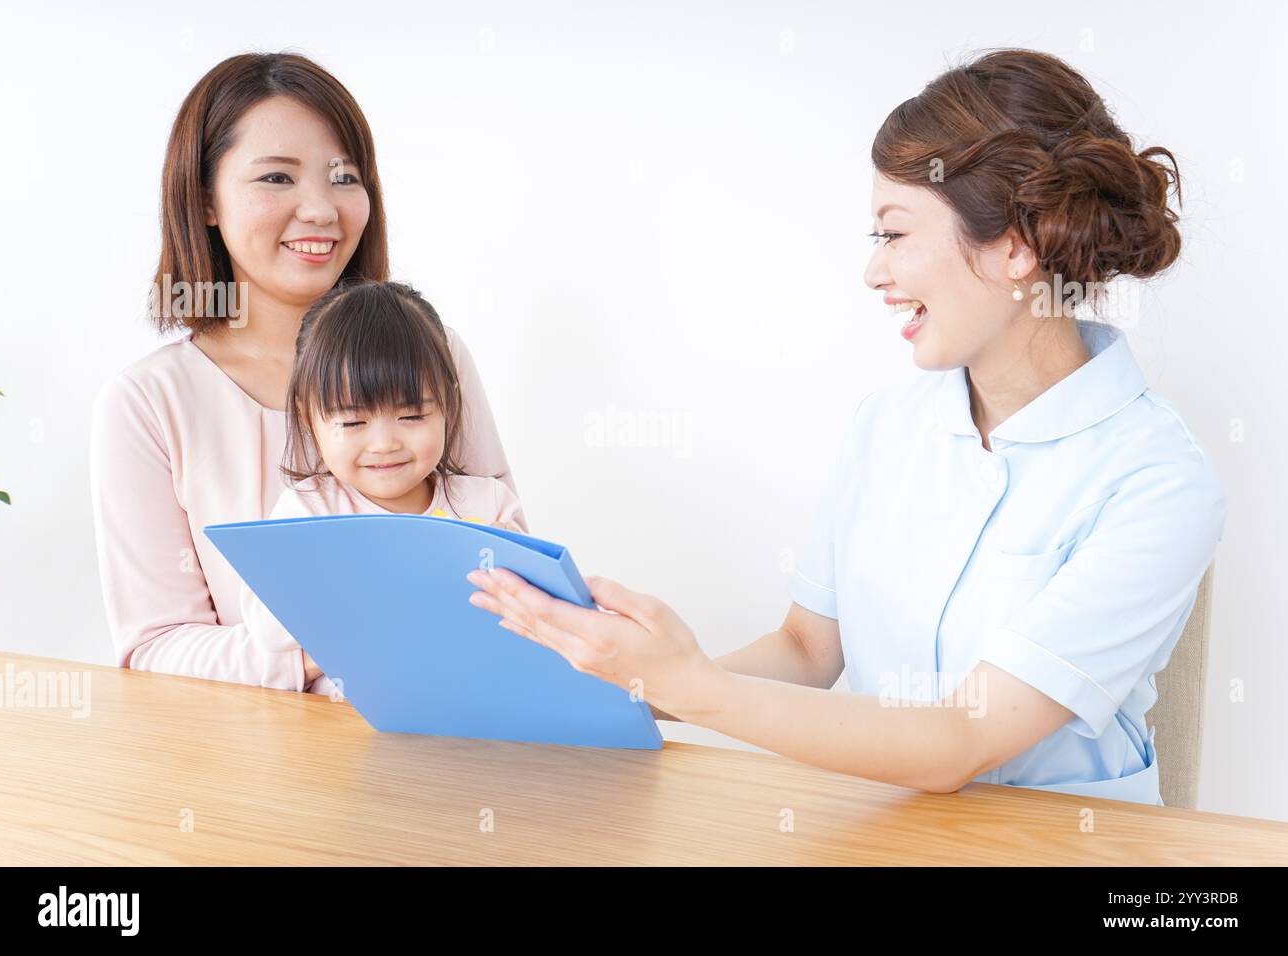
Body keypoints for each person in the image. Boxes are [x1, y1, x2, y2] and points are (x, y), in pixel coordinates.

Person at [467, 48, 1227, 805]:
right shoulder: (887, 427)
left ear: (1016, 247)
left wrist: (690, 685)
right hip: (887, 834)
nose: (875, 273)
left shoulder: (1158, 480)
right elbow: (807, 649)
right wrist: (621, 679)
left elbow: (958, 743)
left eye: (894, 235)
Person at [91, 53, 519, 693]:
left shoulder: (436, 353)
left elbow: (512, 580)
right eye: (276, 178)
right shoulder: (149, 402)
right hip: (259, 770)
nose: (320, 208)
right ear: (205, 200)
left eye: (344, 177)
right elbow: (156, 648)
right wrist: (338, 644)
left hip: (456, 746)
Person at [239, 280, 526, 693]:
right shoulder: (309, 512)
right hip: (343, 737)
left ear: (449, 404)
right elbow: (271, 632)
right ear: (308, 419)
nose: (384, 444)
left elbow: (525, 621)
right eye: (353, 422)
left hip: (469, 715)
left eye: (411, 417)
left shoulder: (488, 504)